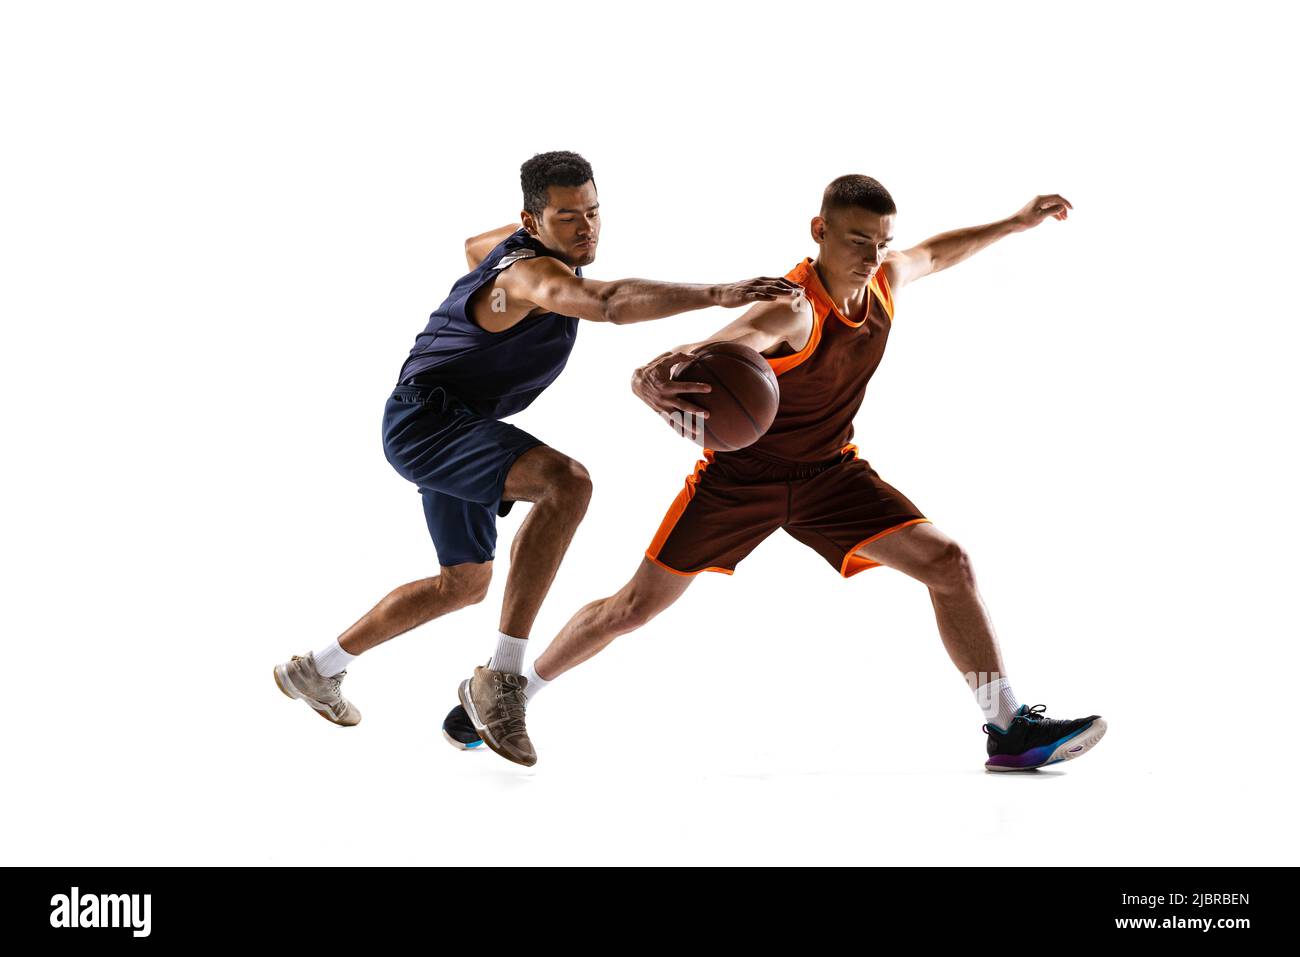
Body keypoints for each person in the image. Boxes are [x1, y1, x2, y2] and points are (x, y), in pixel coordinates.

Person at [454, 174, 1107, 772]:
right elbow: (725, 342)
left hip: (831, 476)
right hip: (741, 482)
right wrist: (651, 372)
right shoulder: (793, 307)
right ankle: (507, 693)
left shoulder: (884, 280)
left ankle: (1006, 727)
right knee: (630, 609)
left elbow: (935, 253)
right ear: (819, 231)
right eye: (857, 239)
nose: (872, 254)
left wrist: (1012, 223)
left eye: (881, 241)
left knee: (949, 562)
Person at [273, 151, 799, 768]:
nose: (587, 228)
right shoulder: (531, 276)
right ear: (533, 218)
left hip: (454, 421)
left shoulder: (510, 246)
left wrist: (488, 290)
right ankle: (502, 677)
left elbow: (476, 246)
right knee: (565, 483)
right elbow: (603, 301)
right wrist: (718, 293)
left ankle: (318, 668)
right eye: (568, 217)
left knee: (462, 585)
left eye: (594, 212)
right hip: (428, 422)